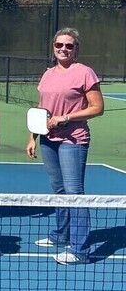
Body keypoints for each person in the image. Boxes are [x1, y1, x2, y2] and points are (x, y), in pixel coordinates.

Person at [27, 28, 104, 265]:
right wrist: (32, 136)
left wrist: (66, 117)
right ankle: (61, 235)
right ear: (53, 47)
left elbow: (97, 108)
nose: (64, 49)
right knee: (59, 190)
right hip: (48, 139)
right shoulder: (48, 74)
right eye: (59, 45)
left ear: (76, 49)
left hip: (73, 140)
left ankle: (80, 250)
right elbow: (42, 106)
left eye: (69, 45)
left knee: (74, 193)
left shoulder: (85, 73)